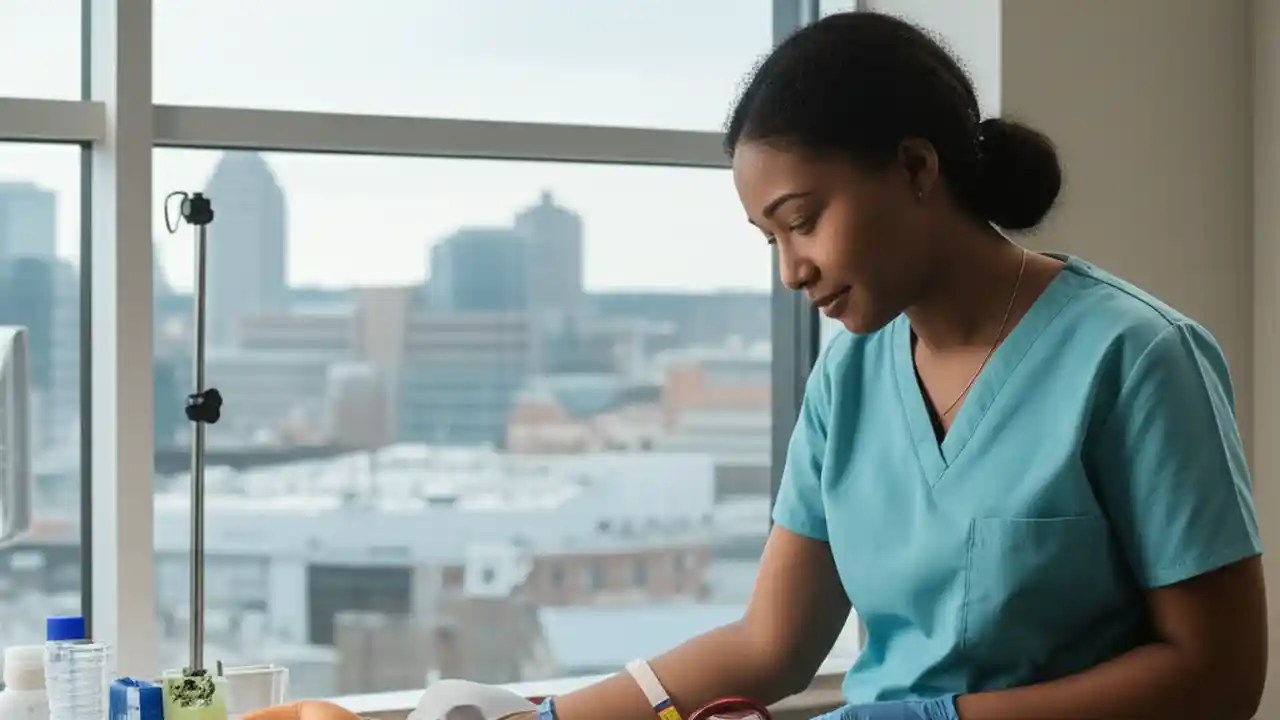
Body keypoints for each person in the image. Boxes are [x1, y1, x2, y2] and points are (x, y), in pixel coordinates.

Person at [504, 10, 1269, 720]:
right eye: (770, 240)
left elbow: (1218, 676)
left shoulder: (1136, 356)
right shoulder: (849, 378)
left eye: (803, 222)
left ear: (913, 168)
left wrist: (942, 718)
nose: (791, 271)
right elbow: (770, 645)